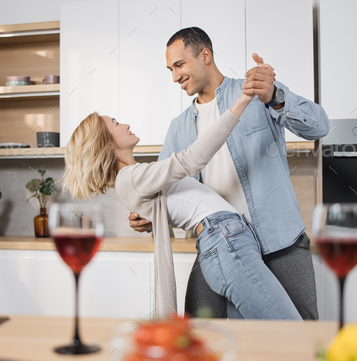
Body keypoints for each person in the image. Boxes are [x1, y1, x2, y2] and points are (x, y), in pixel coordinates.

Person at [128, 27, 330, 320]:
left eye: (180, 65)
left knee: (301, 337)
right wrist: (147, 216)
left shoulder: (254, 92)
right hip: (218, 246)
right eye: (170, 69)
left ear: (205, 55)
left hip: (280, 241)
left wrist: (275, 95)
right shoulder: (179, 127)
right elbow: (162, 190)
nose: (175, 76)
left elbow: (320, 126)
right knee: (201, 337)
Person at [62, 86, 302, 321]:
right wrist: (241, 102)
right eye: (115, 123)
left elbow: (166, 205)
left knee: (252, 341)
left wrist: (149, 222)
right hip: (225, 241)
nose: (124, 124)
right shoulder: (130, 178)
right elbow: (191, 160)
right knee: (289, 328)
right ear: (107, 144)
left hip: (228, 241)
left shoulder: (136, 176)